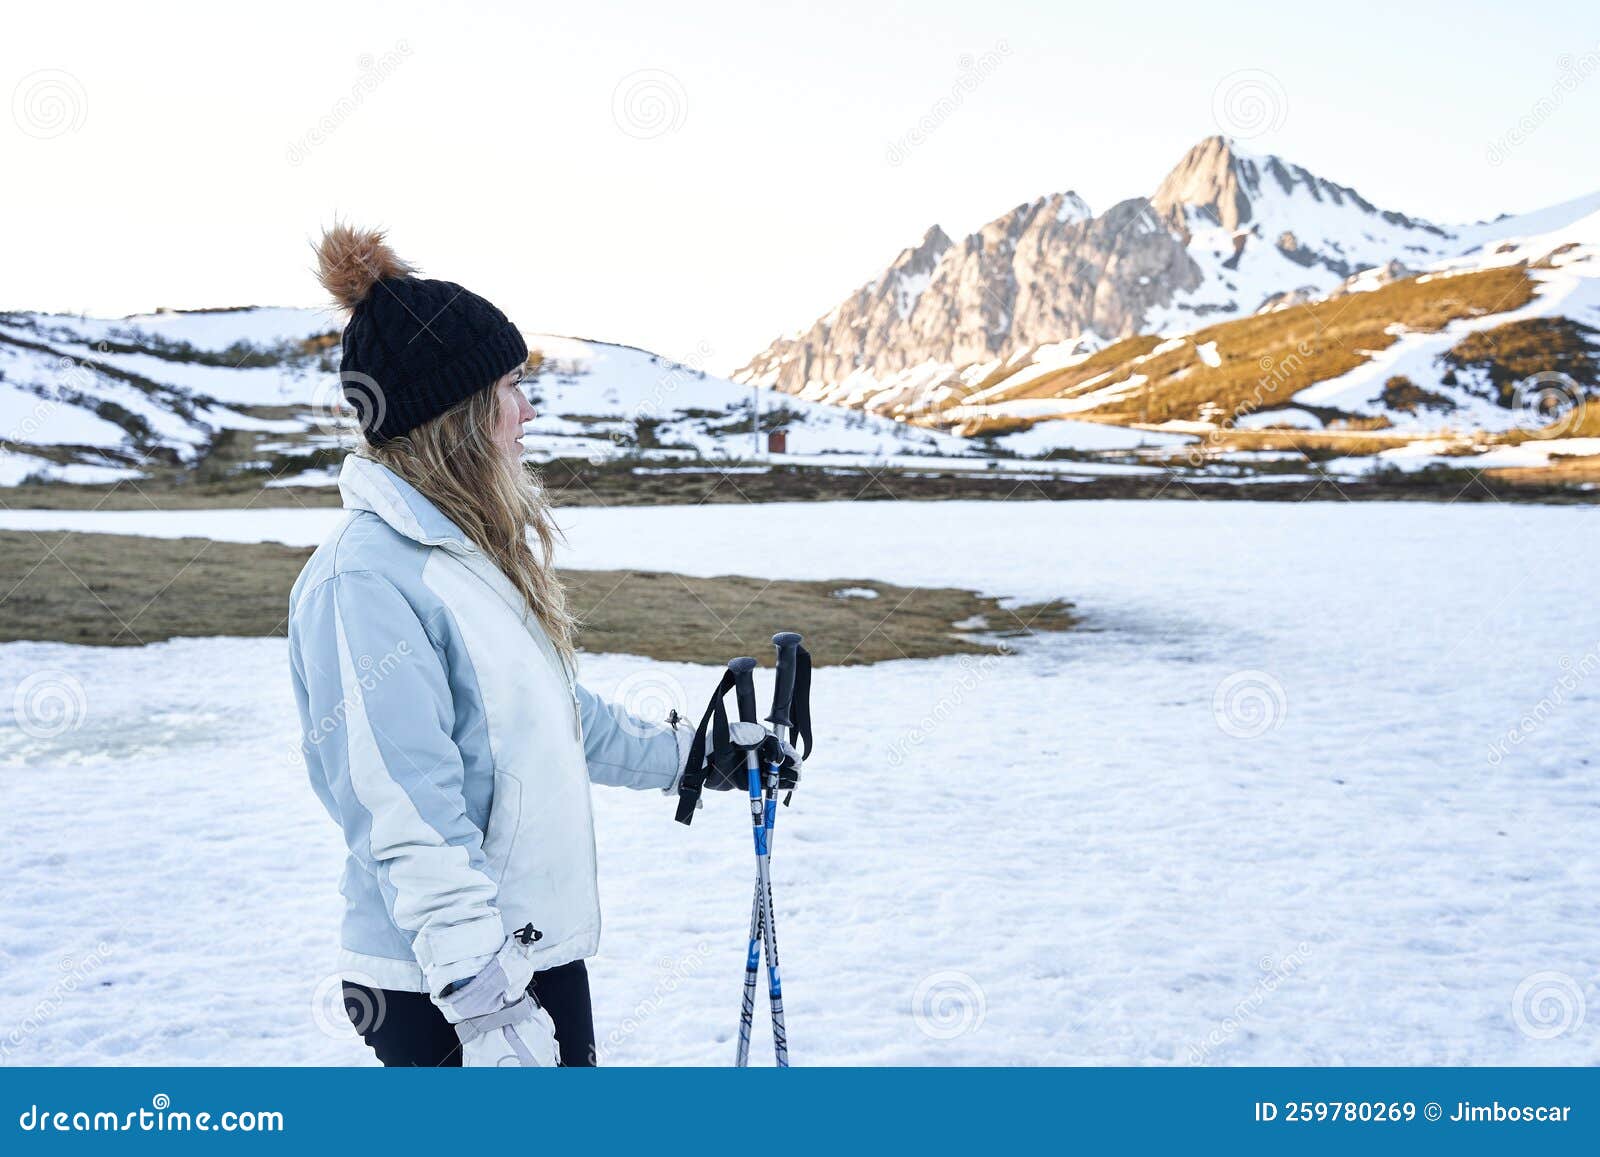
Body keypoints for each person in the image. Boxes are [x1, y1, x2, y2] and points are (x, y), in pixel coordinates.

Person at [288, 224, 698, 1067]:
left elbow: (553, 717)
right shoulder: (365, 580)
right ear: (460, 413)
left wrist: (696, 759)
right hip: (446, 984)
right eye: (512, 386)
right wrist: (483, 1000)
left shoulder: (465, 558)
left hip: (532, 955)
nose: (529, 410)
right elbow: (408, 809)